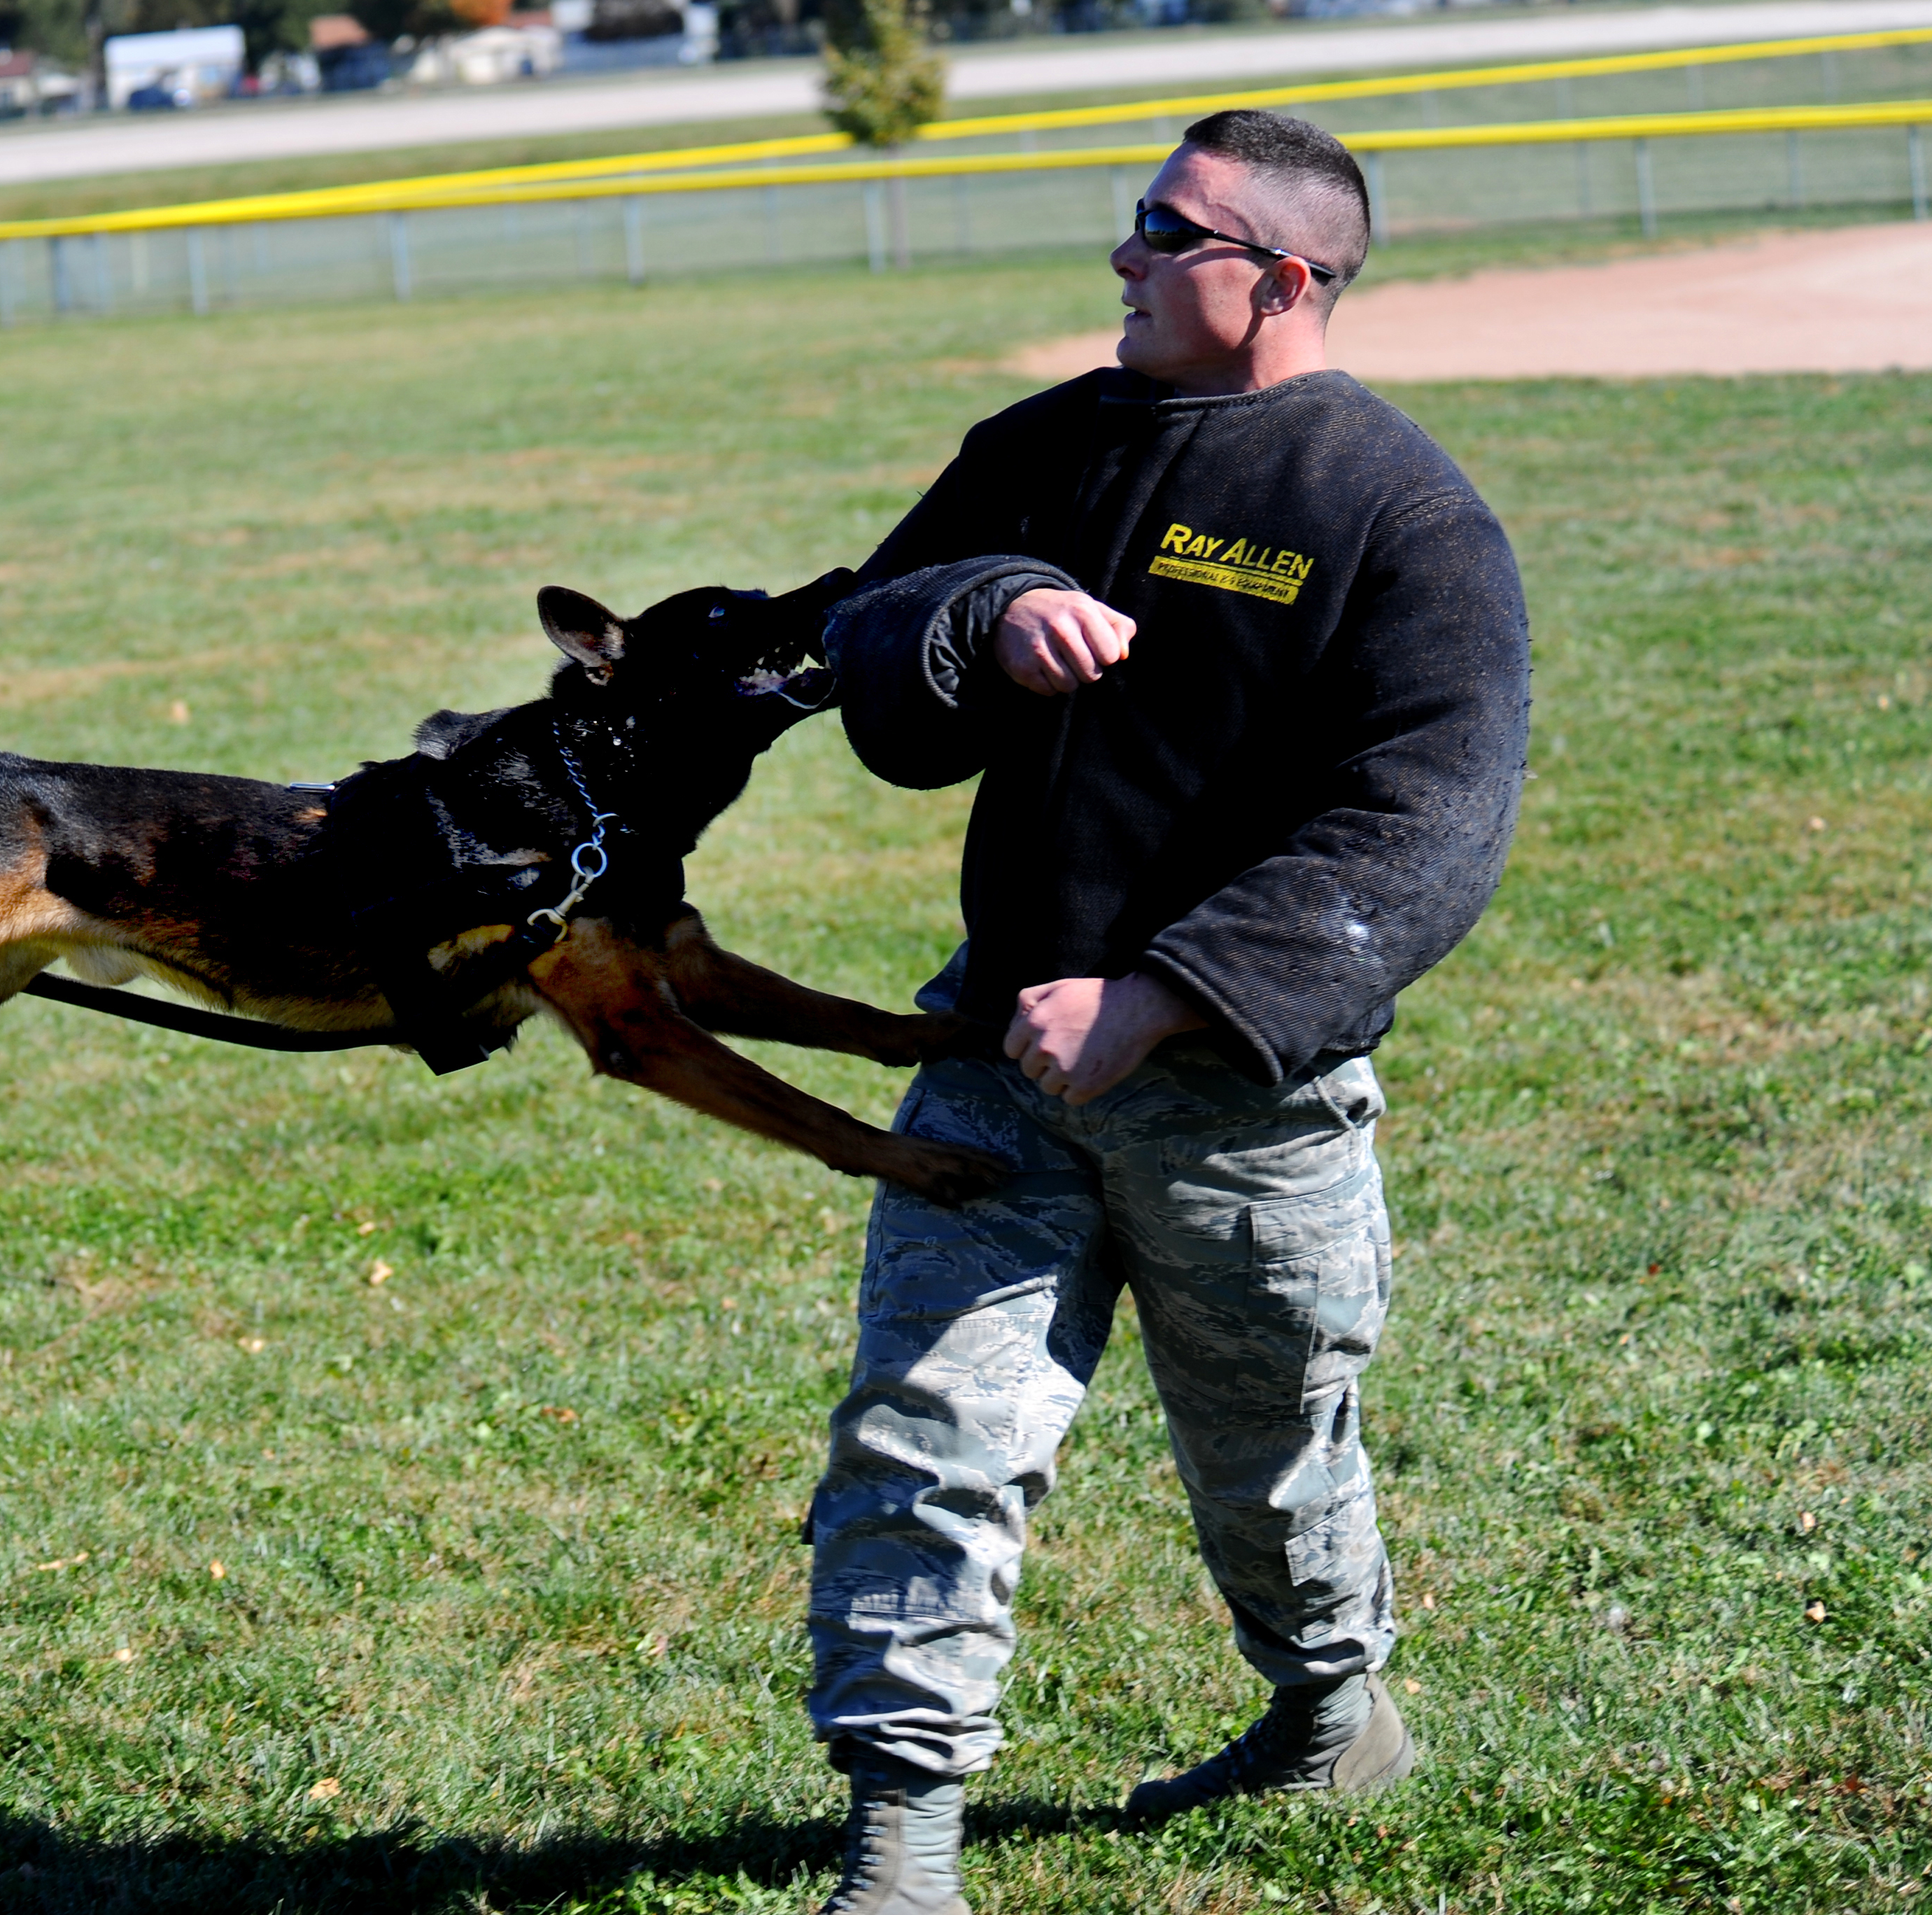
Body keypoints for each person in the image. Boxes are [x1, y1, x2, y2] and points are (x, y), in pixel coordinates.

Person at [801, 110, 1532, 1914]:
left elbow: (1422, 827)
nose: (1122, 257)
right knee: (928, 1429)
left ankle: (1327, 1709)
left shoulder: (1402, 517)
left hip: (1242, 1106)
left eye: (1163, 230)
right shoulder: (1046, 449)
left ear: (1282, 280)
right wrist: (987, 606)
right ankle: (903, 1833)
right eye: (1133, 220)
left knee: (1274, 1464)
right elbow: (874, 655)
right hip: (995, 1062)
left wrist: (1166, 1001)